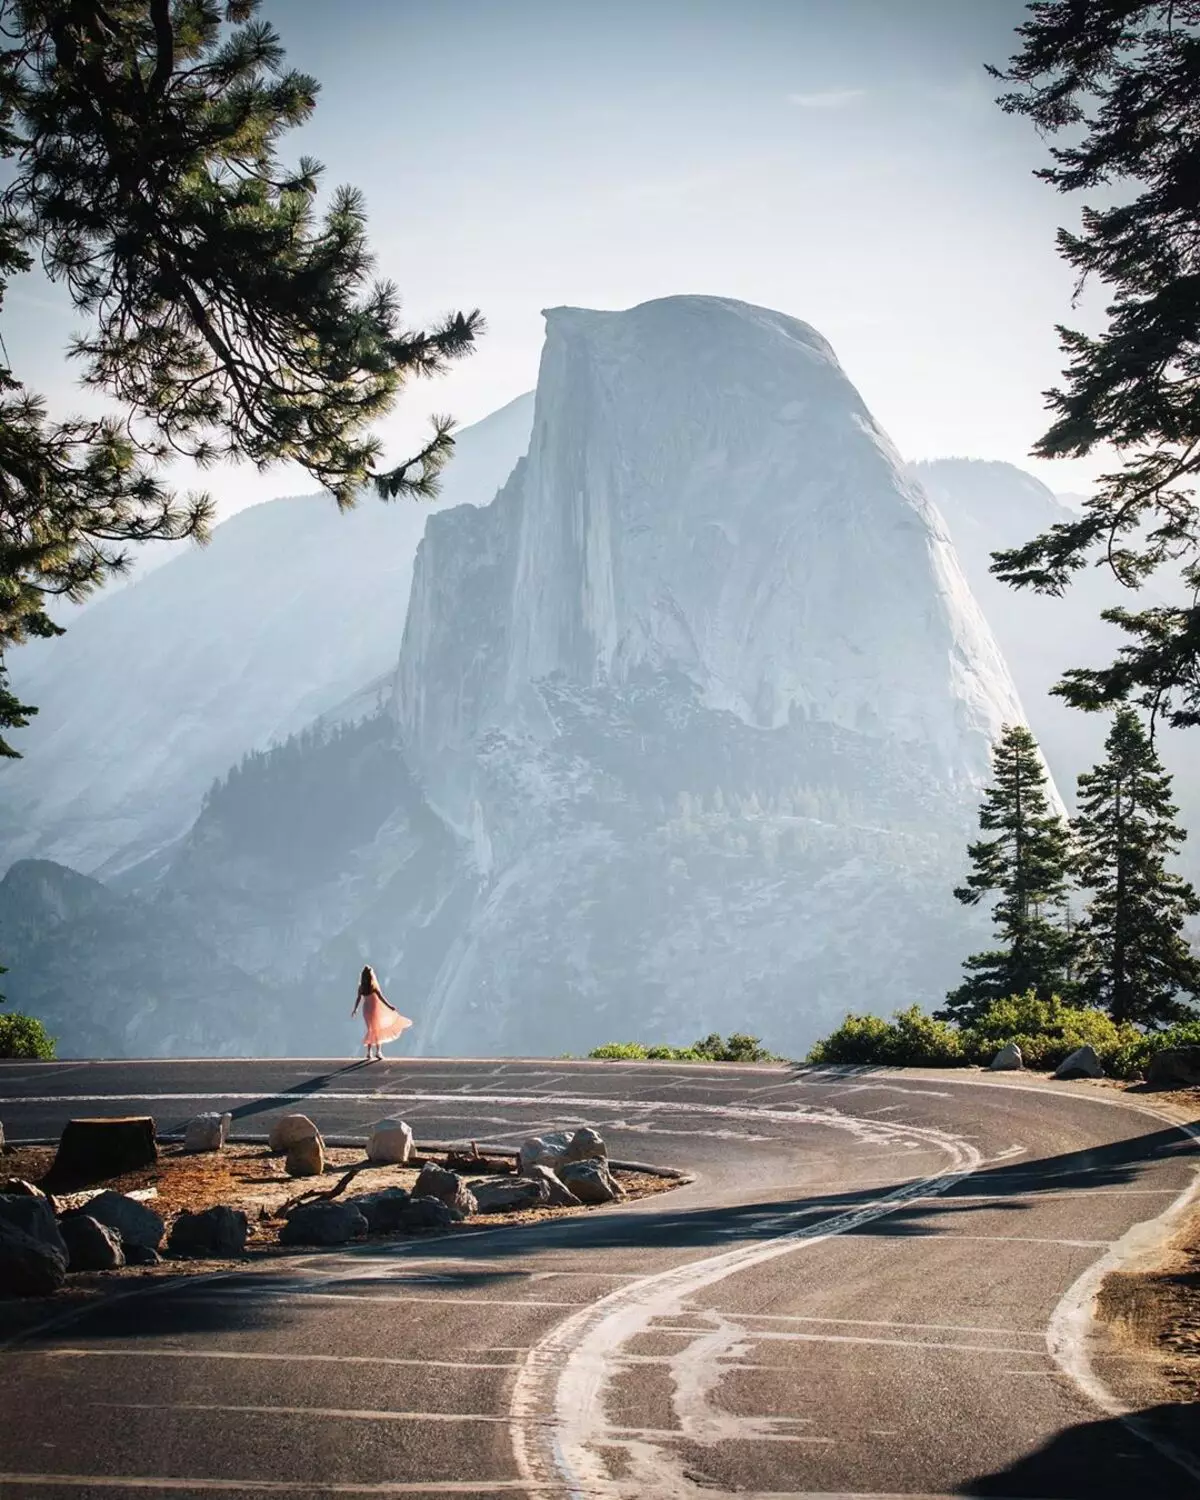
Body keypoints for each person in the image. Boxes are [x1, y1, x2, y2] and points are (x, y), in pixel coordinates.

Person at [352, 965, 412, 1062]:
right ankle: (378, 1052)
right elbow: (381, 998)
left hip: (366, 1010)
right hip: (374, 1009)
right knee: (377, 1030)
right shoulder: (373, 987)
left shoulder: (361, 987)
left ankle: (369, 1052)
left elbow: (358, 998)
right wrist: (390, 1006)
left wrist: (355, 1009)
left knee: (370, 1030)